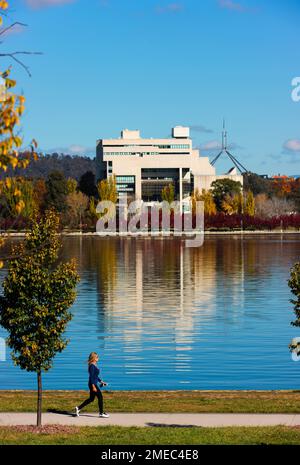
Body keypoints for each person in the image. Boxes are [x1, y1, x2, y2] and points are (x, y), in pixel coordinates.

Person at [75, 352, 109, 418]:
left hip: (93, 383)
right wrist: (93, 386)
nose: (98, 358)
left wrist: (101, 382)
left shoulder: (94, 365)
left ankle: (78, 408)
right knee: (100, 397)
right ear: (93, 358)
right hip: (92, 384)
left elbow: (95, 376)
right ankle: (101, 413)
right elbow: (91, 377)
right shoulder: (92, 366)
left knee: (91, 399)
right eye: (97, 357)